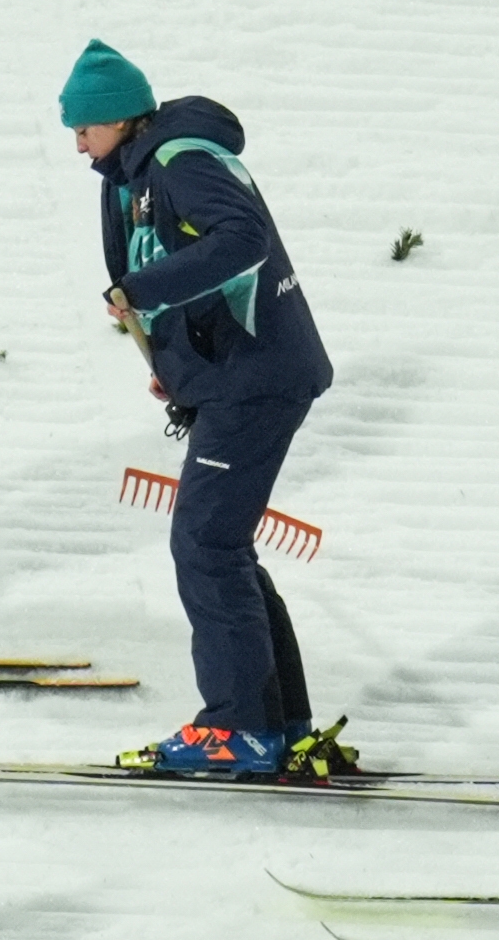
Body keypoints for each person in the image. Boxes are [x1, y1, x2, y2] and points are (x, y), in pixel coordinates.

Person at [65, 41, 340, 776]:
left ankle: (240, 726)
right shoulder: (132, 172)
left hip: (259, 376)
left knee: (206, 544)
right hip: (237, 376)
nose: (77, 142)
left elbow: (241, 241)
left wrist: (146, 292)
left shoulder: (180, 160)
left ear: (119, 118)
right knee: (222, 543)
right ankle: (275, 721)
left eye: (83, 126)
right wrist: (178, 363)